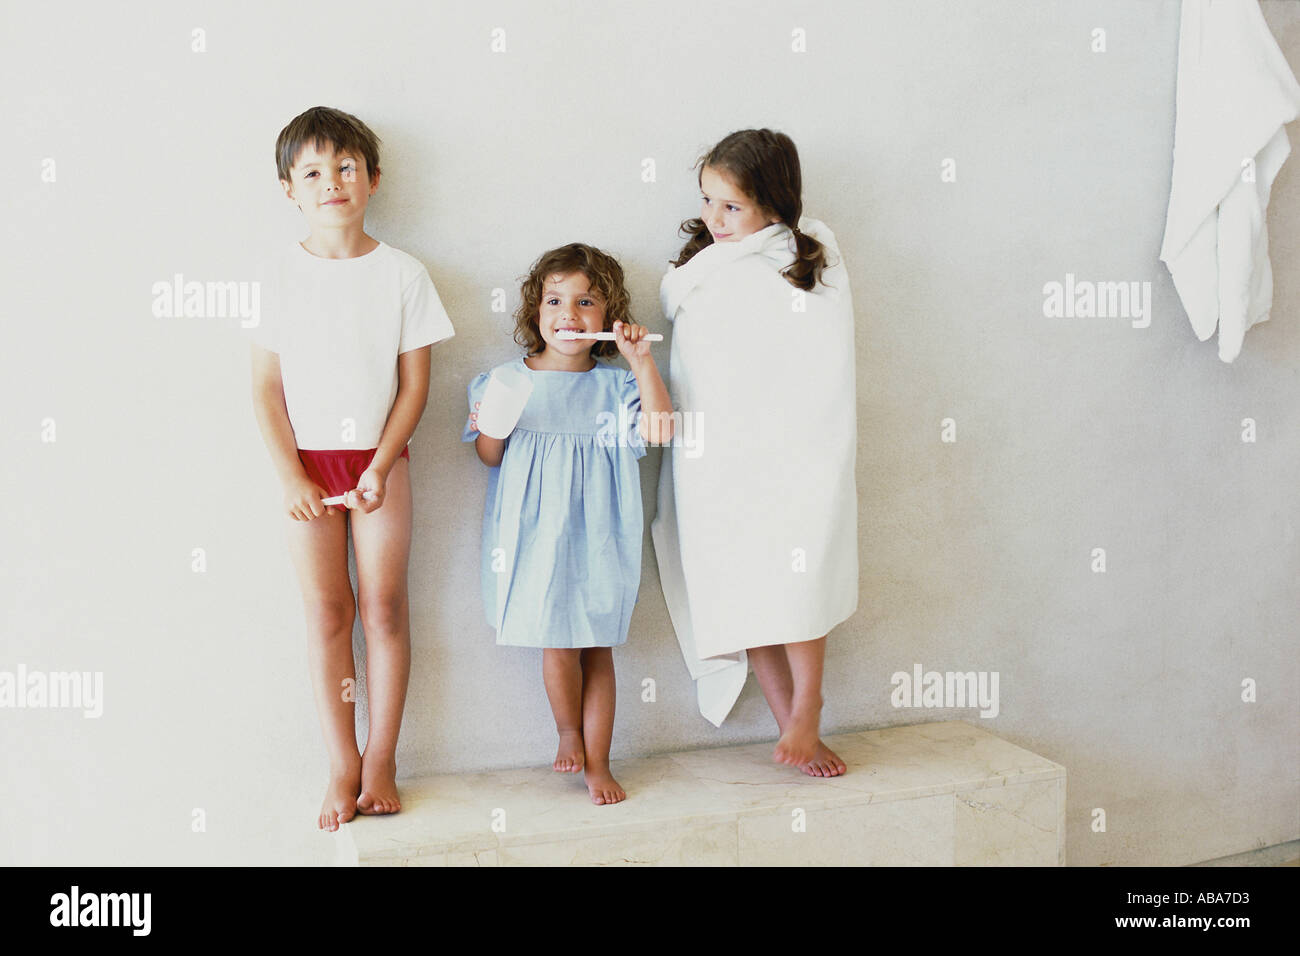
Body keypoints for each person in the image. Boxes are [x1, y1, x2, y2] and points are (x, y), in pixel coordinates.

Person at [250, 106, 455, 830]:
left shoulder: (404, 274)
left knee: (385, 609)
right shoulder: (278, 276)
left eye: (345, 167)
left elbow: (416, 387)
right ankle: (340, 763)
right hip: (306, 468)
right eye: (313, 172)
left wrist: (378, 464)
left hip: (379, 463)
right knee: (327, 613)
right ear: (289, 190)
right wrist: (292, 479)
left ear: (372, 177)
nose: (332, 182)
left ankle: (382, 759)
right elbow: (265, 391)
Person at [651, 128, 860, 777]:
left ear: (774, 202)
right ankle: (787, 723)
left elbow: (821, 357)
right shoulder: (697, 269)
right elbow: (701, 362)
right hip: (718, 455)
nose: (715, 219)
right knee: (740, 586)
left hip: (794, 448)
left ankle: (809, 710)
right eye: (708, 200)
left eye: (732, 206)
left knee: (800, 575)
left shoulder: (809, 255)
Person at [462, 243, 673, 805]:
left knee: (596, 645)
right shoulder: (507, 380)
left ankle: (599, 764)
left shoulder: (615, 384)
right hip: (533, 535)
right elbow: (489, 456)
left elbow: (658, 432)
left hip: (601, 532)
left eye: (586, 302)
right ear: (536, 311)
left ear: (610, 316)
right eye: (555, 301)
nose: (569, 315)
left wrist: (641, 362)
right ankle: (567, 732)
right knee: (557, 644)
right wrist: (496, 423)